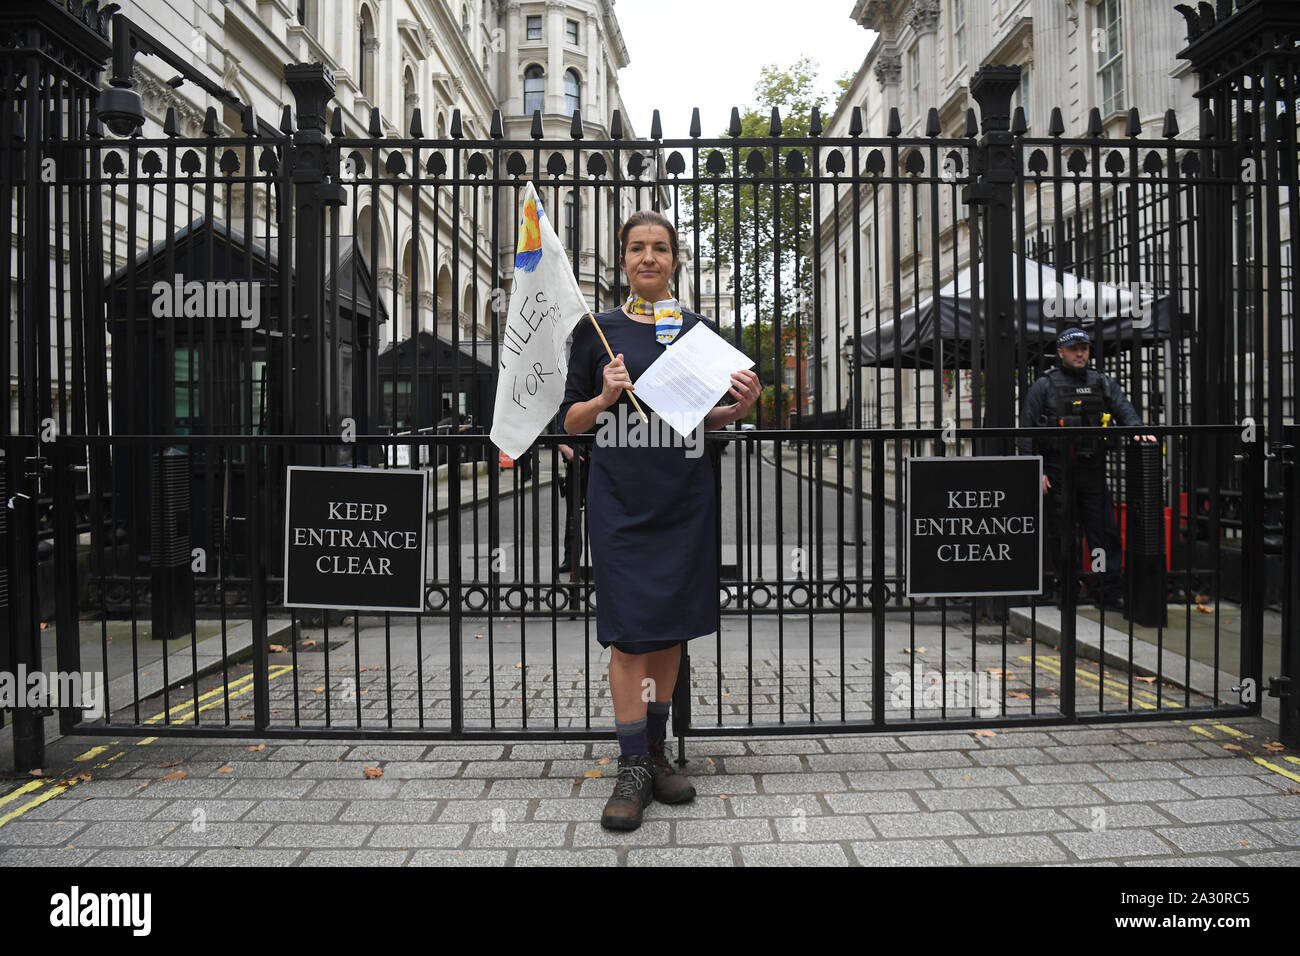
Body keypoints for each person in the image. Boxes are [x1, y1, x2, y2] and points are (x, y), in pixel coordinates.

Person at [558, 210, 761, 831]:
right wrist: (603, 398)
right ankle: (629, 762)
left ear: (675, 260)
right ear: (623, 259)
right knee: (628, 634)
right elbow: (570, 422)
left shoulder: (698, 332)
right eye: (638, 248)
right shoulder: (596, 330)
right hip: (620, 501)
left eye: (661, 249)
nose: (649, 258)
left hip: (683, 500)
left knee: (669, 630)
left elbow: (703, 419)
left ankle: (653, 749)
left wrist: (739, 408)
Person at [1018, 327, 1156, 611]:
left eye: (1084, 348)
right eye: (1073, 349)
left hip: (1092, 469)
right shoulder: (1044, 386)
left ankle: (1106, 589)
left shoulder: (1102, 382)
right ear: (1060, 352)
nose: (1079, 353)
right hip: (1057, 472)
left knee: (1102, 533)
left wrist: (1138, 430)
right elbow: (1027, 430)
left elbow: (1124, 410)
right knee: (1062, 535)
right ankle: (1067, 588)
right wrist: (1036, 469)